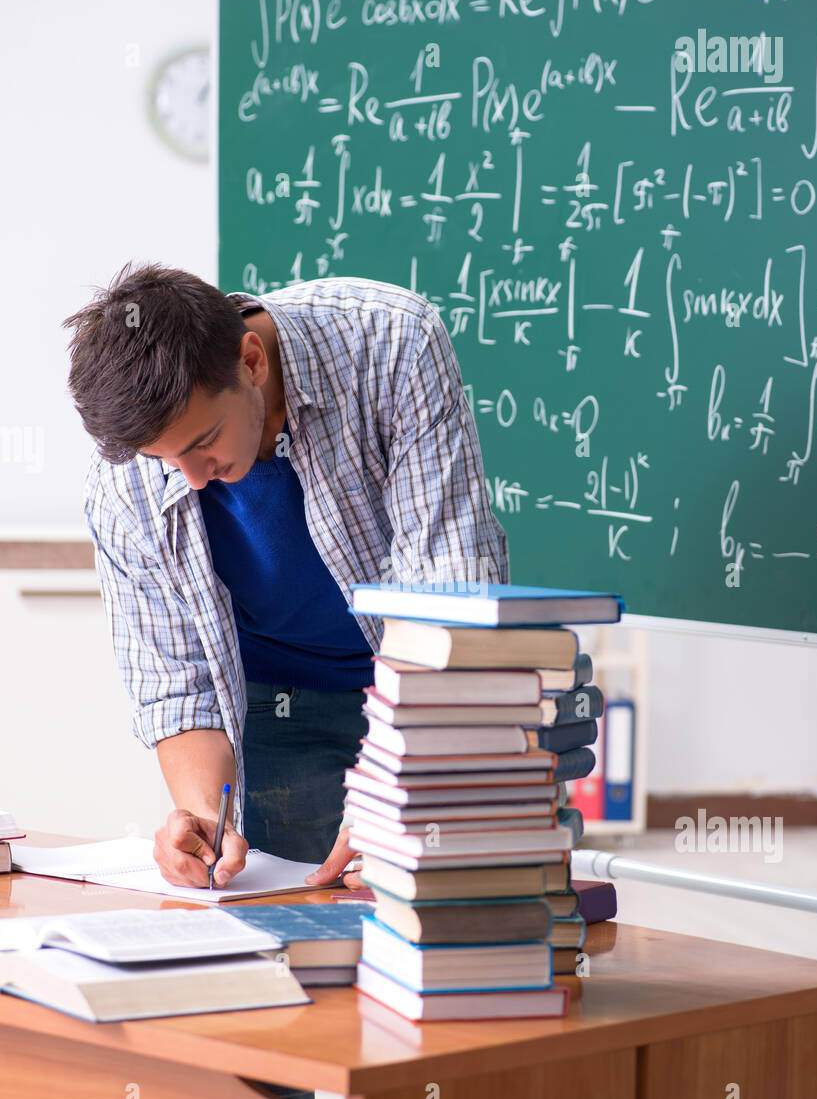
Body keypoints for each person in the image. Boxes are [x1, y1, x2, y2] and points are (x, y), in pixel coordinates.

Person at [63, 262, 509, 891]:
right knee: (305, 933)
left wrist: (393, 784)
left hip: (432, 684)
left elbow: (444, 588)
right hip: (277, 703)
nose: (191, 477)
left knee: (458, 918)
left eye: (205, 441)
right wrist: (204, 823)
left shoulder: (391, 341)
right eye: (168, 459)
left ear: (251, 361)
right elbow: (174, 684)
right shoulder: (122, 481)